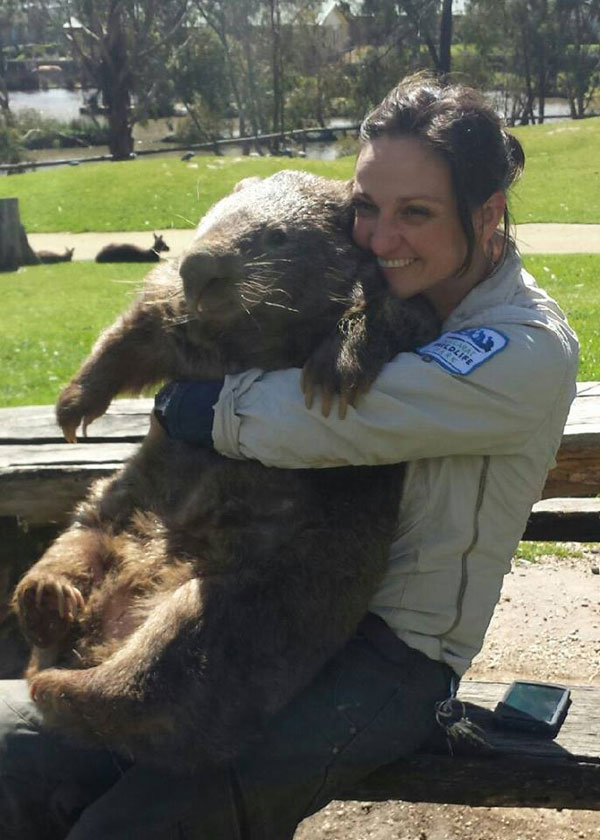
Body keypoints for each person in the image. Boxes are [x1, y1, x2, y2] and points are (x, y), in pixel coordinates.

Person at [0, 74, 578, 839]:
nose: (379, 238)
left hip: (388, 658)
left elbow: (337, 421)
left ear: (487, 213)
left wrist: (194, 405)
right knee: (17, 766)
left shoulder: (522, 348)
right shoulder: (377, 279)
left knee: (141, 826)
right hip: (257, 591)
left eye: (417, 214)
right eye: (366, 208)